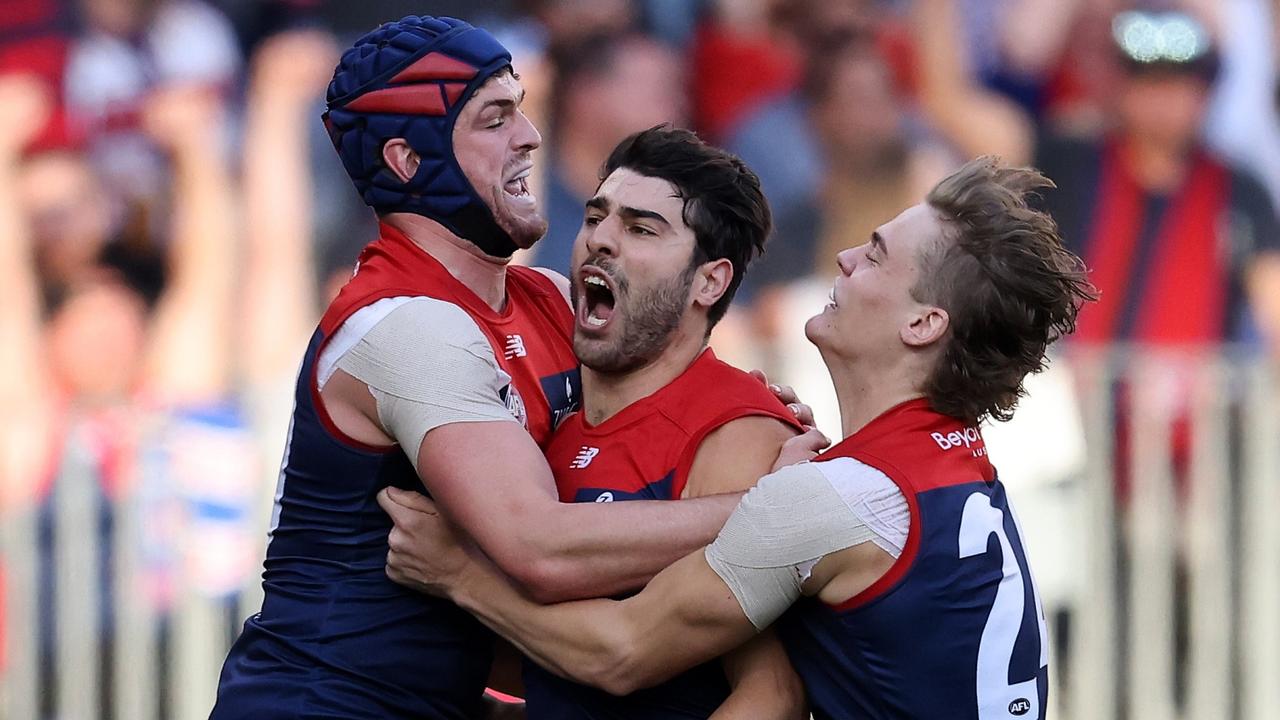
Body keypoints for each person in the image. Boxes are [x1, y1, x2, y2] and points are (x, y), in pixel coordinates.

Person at [211, 16, 799, 720]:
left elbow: (666, 400)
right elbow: (538, 548)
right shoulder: (405, 323)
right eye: (495, 119)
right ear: (406, 161)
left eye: (521, 108)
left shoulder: (548, 299)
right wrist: (785, 510)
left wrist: (747, 421)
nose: (530, 135)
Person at [379, 156, 1098, 719]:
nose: (845, 257)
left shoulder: (832, 500)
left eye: (877, 255)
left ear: (923, 325)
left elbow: (625, 652)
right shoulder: (950, 468)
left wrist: (458, 575)